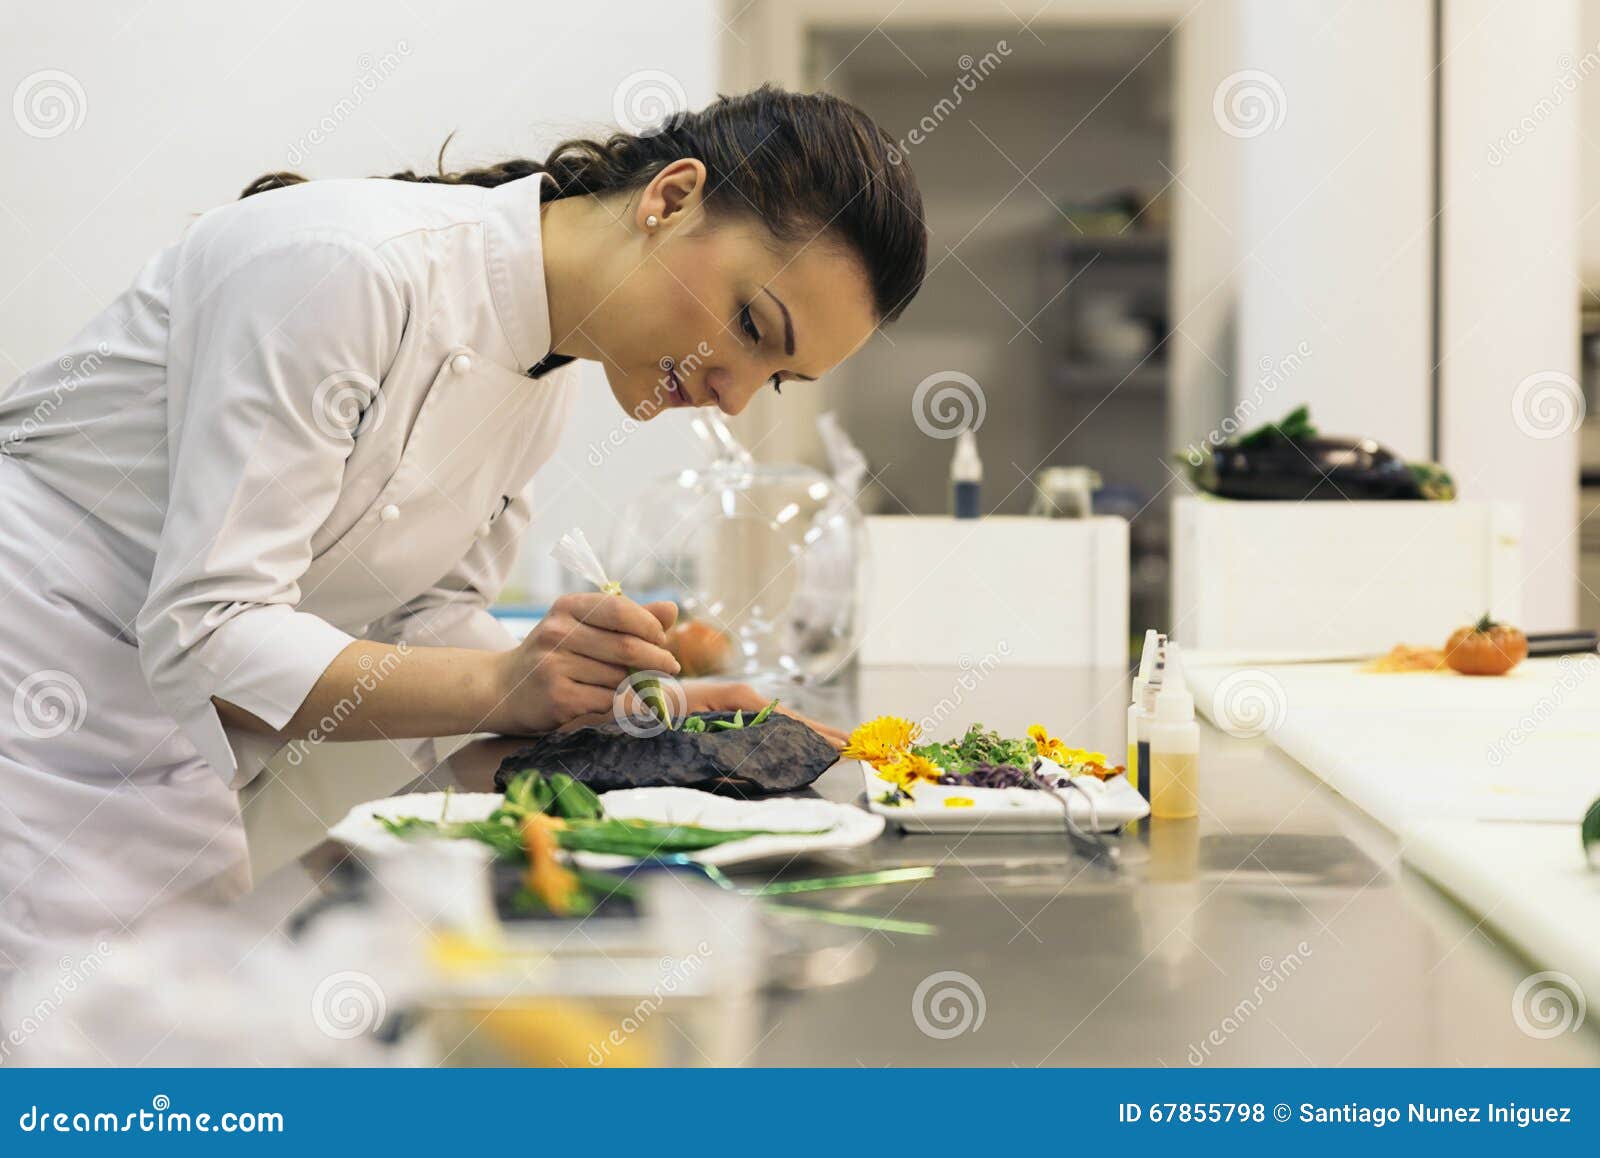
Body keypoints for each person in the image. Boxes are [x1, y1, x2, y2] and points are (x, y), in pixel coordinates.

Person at [0, 84, 927, 970]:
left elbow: (427, 618)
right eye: (751, 325)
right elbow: (210, 633)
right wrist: (505, 685)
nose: (732, 395)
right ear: (673, 197)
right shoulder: (342, 264)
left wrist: (627, 712)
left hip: (158, 753)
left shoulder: (543, 378)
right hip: (33, 693)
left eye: (777, 378)